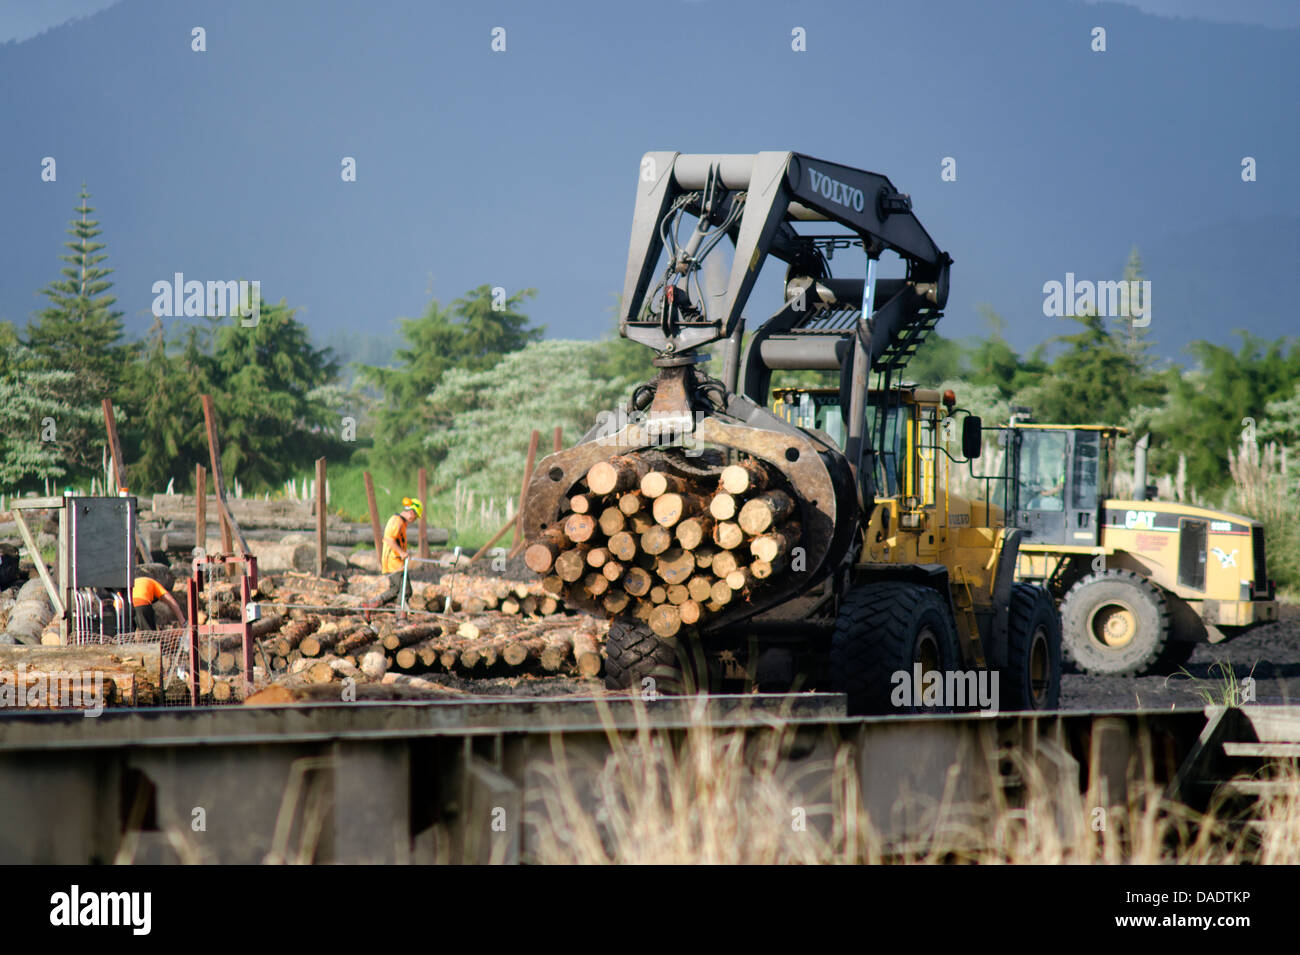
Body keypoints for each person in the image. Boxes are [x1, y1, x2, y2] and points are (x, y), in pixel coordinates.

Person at [381, 497, 422, 574]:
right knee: (404, 586)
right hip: (393, 566)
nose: (414, 520)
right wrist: (401, 553)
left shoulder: (402, 523)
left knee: (403, 586)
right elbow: (389, 539)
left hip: (397, 566)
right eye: (415, 517)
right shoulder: (397, 521)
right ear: (412, 512)